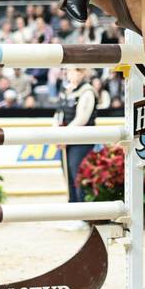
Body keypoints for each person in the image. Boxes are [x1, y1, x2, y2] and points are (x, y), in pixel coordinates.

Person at [56, 67, 99, 207]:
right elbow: (58, 113)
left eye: (75, 70)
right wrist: (56, 133)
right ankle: (73, 206)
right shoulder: (65, 90)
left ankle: (83, 209)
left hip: (82, 140)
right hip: (66, 138)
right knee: (68, 175)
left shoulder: (87, 91)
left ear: (83, 73)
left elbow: (82, 118)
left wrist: (64, 135)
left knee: (79, 175)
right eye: (70, 70)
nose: (71, 74)